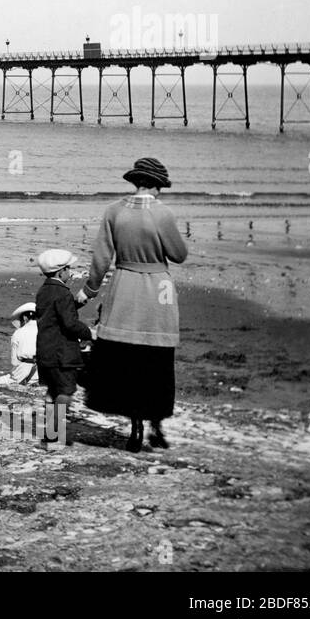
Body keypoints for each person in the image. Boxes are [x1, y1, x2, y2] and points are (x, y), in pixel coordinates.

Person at [77, 158, 189, 453]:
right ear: (157, 185)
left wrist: (89, 291)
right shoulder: (162, 213)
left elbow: (100, 260)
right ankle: (157, 427)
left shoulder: (114, 211)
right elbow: (179, 255)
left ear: (135, 181)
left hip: (124, 285)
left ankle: (135, 429)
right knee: (156, 360)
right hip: (157, 290)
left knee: (127, 359)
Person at [34, 250, 92, 444]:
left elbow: (54, 315)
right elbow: (70, 324)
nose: (71, 272)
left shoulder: (44, 291)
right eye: (68, 269)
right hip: (62, 353)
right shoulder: (62, 293)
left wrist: (76, 303)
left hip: (45, 351)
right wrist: (90, 333)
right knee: (66, 392)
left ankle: (49, 433)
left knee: (52, 391)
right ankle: (53, 434)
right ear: (60, 272)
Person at [0, 303, 40, 386]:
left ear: (25, 318)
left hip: (24, 368)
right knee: (32, 382)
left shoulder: (18, 333)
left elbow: (14, 361)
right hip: (40, 370)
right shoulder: (44, 331)